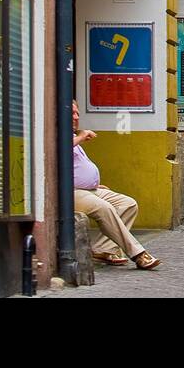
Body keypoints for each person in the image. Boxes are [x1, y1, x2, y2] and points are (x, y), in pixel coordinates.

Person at [72, 102, 161, 269]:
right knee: (104, 208)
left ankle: (102, 249)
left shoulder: (72, 136)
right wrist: (81, 137)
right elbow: (58, 151)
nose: (76, 117)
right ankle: (138, 253)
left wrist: (95, 183)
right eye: (72, 113)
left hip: (90, 190)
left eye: (77, 113)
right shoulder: (55, 135)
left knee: (128, 204)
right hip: (72, 192)